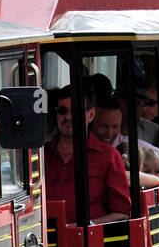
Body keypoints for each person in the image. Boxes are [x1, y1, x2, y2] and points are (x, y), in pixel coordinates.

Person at [43, 84, 129, 223]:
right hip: (41, 241)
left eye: (76, 111)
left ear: (91, 114)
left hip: (88, 241)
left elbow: (122, 214)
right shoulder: (40, 154)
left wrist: (81, 227)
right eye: (63, 110)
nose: (68, 117)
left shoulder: (109, 156)